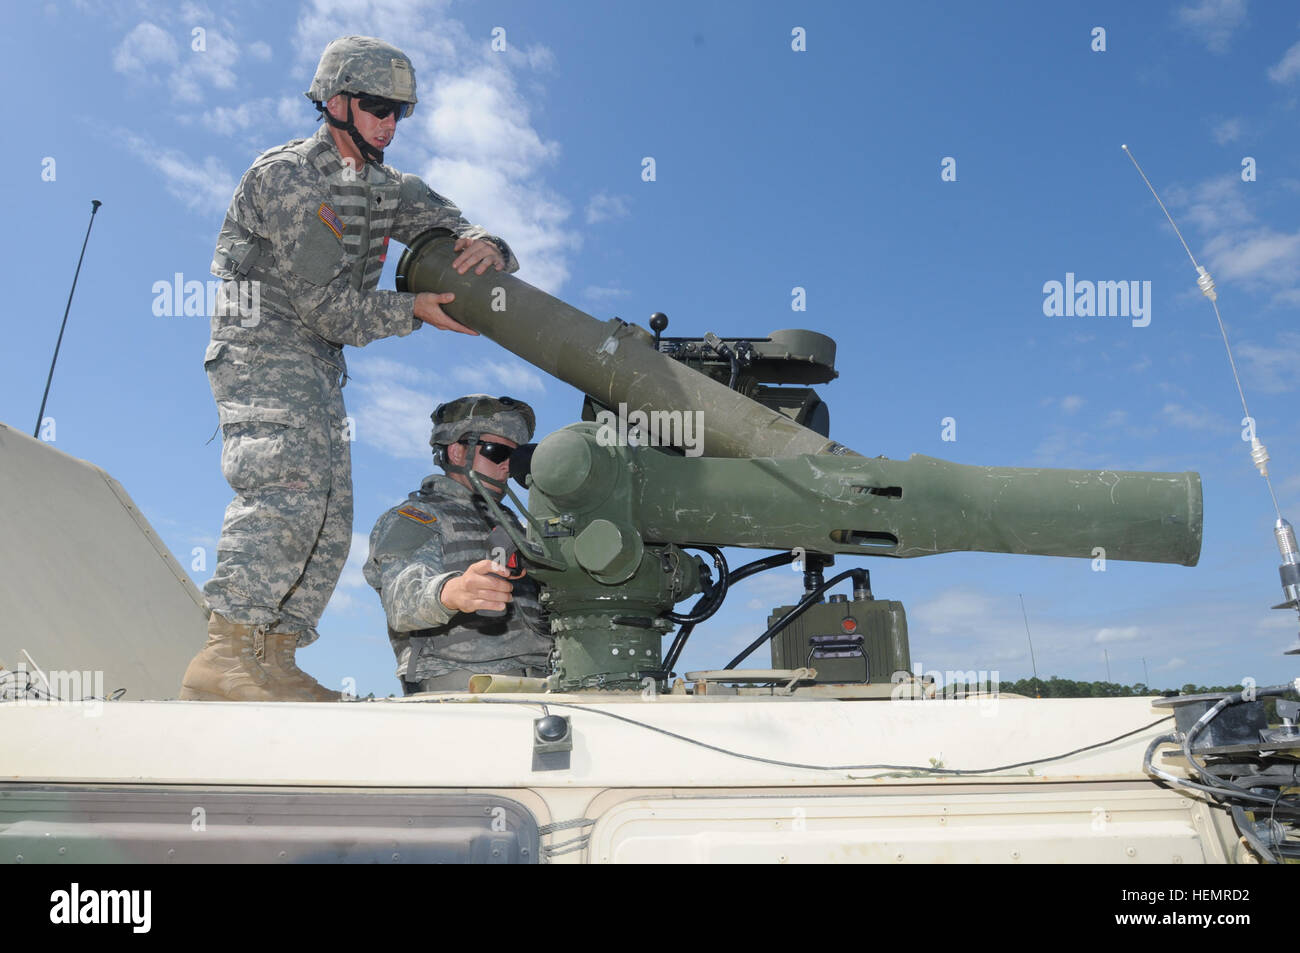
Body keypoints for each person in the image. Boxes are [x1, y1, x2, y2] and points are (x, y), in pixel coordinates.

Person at [180, 36, 517, 702]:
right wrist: (415, 309)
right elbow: (328, 308)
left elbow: (445, 218)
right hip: (263, 340)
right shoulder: (290, 177)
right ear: (335, 103)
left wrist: (488, 242)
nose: (389, 122)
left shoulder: (382, 184)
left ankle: (273, 656)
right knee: (286, 484)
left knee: (332, 512)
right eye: (375, 106)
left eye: (400, 111)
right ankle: (224, 652)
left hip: (315, 359)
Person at [364, 395, 553, 693]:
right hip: (461, 682)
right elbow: (401, 599)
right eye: (496, 452)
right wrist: (452, 591)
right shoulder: (419, 516)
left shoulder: (519, 525)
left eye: (515, 457)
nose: (507, 466)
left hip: (545, 680)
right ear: (455, 451)